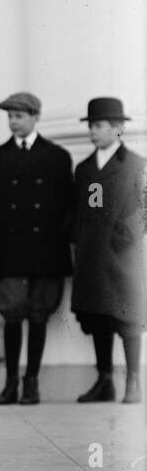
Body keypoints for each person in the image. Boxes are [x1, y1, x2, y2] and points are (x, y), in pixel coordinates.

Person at [0, 92, 73, 405]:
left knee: (37, 315)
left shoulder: (58, 158)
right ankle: (10, 383)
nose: (13, 121)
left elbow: (67, 205)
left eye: (19, 116)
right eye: (10, 116)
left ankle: (31, 382)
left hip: (46, 250)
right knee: (11, 315)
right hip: (8, 252)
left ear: (35, 116)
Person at [70, 97, 145, 404]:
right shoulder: (86, 168)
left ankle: (133, 381)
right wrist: (81, 236)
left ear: (117, 129)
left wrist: (126, 233)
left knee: (128, 320)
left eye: (98, 125)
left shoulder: (137, 165)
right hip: (93, 256)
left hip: (123, 256)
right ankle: (105, 381)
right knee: (98, 316)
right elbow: (88, 205)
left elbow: (144, 206)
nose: (92, 131)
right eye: (90, 125)